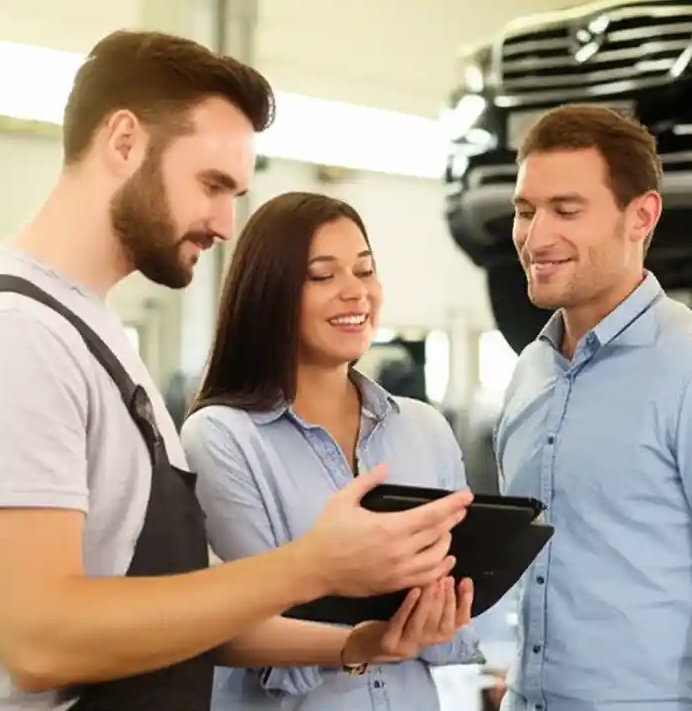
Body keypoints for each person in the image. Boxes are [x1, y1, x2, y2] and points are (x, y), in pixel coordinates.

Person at [0, 30, 473, 711]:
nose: (226, 224)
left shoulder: (89, 333)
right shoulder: (11, 335)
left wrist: (360, 644)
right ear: (124, 141)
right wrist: (312, 566)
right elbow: (42, 642)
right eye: (211, 185)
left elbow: (192, 612)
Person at [491, 105, 692, 711]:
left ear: (642, 216)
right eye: (526, 211)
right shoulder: (530, 372)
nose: (536, 237)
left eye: (567, 211)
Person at [180, 191, 486, 710]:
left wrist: (443, 610)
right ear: (269, 294)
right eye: (323, 276)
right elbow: (238, 626)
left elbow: (456, 608)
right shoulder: (222, 438)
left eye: (365, 271)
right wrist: (366, 638)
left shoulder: (424, 429)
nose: (355, 292)